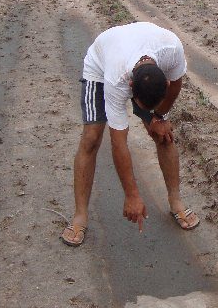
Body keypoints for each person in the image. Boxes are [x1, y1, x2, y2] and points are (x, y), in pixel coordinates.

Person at [61, 21, 200, 247]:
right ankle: (80, 215)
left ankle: (176, 201)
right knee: (91, 139)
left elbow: (175, 85)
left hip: (142, 55)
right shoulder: (117, 80)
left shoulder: (172, 50)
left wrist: (158, 117)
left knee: (163, 134)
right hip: (100, 67)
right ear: (130, 87)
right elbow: (119, 142)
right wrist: (132, 195)